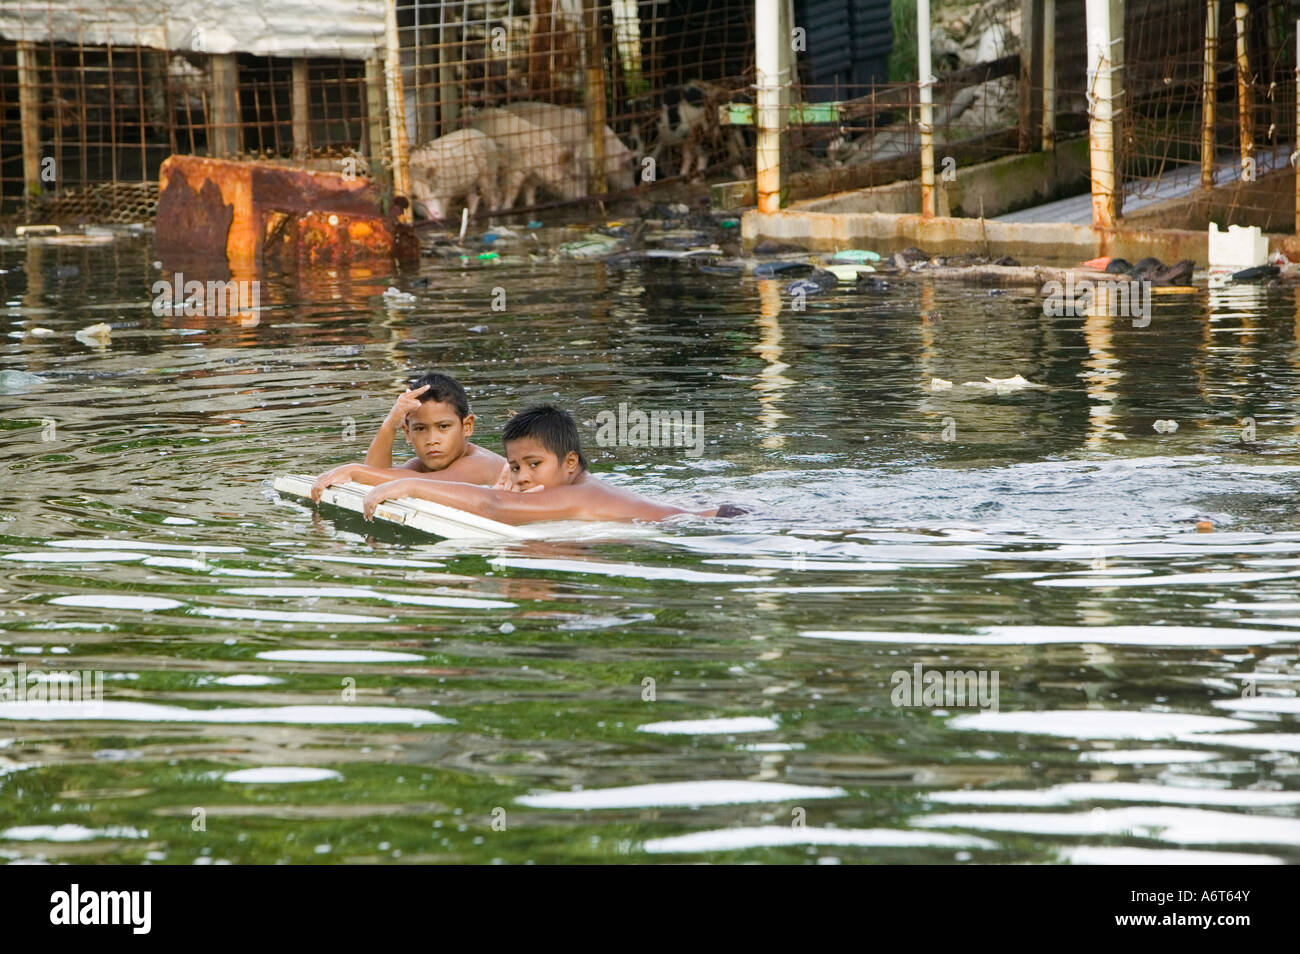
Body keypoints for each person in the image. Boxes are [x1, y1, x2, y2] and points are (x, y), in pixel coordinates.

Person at [360, 405, 741, 524]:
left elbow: (494, 506)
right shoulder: (574, 487)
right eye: (514, 466)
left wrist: (408, 486)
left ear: (570, 462)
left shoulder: (581, 495)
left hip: (725, 525)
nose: (522, 476)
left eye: (534, 464)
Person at [312, 372, 504, 502]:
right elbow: (375, 474)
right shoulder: (419, 466)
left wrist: (353, 470)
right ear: (407, 433)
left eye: (443, 427)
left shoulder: (478, 464)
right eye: (420, 429)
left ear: (467, 426)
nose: (432, 440)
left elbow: (425, 483)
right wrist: (389, 424)